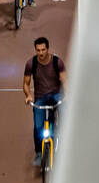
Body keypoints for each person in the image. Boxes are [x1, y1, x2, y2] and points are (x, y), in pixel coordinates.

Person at [23, 37, 66, 167]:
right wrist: (28, 95)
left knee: (65, 114)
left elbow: (65, 80)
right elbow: (26, 83)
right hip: (40, 97)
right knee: (37, 127)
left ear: (48, 49)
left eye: (43, 50)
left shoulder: (57, 62)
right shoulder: (31, 63)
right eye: (38, 50)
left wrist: (67, 95)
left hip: (56, 95)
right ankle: (38, 153)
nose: (41, 53)